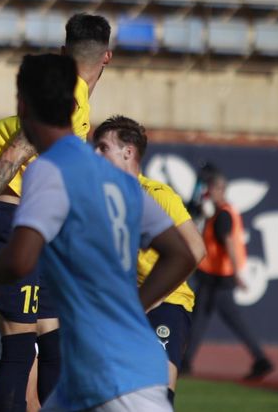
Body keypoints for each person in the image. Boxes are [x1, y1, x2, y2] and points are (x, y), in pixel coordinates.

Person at [0, 53, 197, 411]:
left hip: (106, 368)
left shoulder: (52, 170)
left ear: (24, 104)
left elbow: (23, 255)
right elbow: (181, 254)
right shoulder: (120, 185)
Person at [0, 14, 113, 411]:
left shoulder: (76, 95)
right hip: (13, 221)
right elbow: (14, 153)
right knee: (19, 348)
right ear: (108, 57)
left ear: (63, 51)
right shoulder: (68, 96)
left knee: (52, 341)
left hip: (42, 228)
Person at [92, 116, 207, 403]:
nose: (94, 154)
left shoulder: (157, 195)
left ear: (127, 152)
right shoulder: (101, 199)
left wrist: (151, 298)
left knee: (157, 395)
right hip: (122, 307)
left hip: (165, 305)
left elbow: (196, 249)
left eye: (103, 147)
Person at [182, 167, 274, 381]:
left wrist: (238, 274)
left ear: (221, 189)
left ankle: (186, 362)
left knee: (203, 319)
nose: (208, 192)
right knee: (217, 320)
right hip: (216, 277)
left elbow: (230, 243)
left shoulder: (223, 214)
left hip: (218, 278)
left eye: (212, 188)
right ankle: (260, 359)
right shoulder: (223, 212)